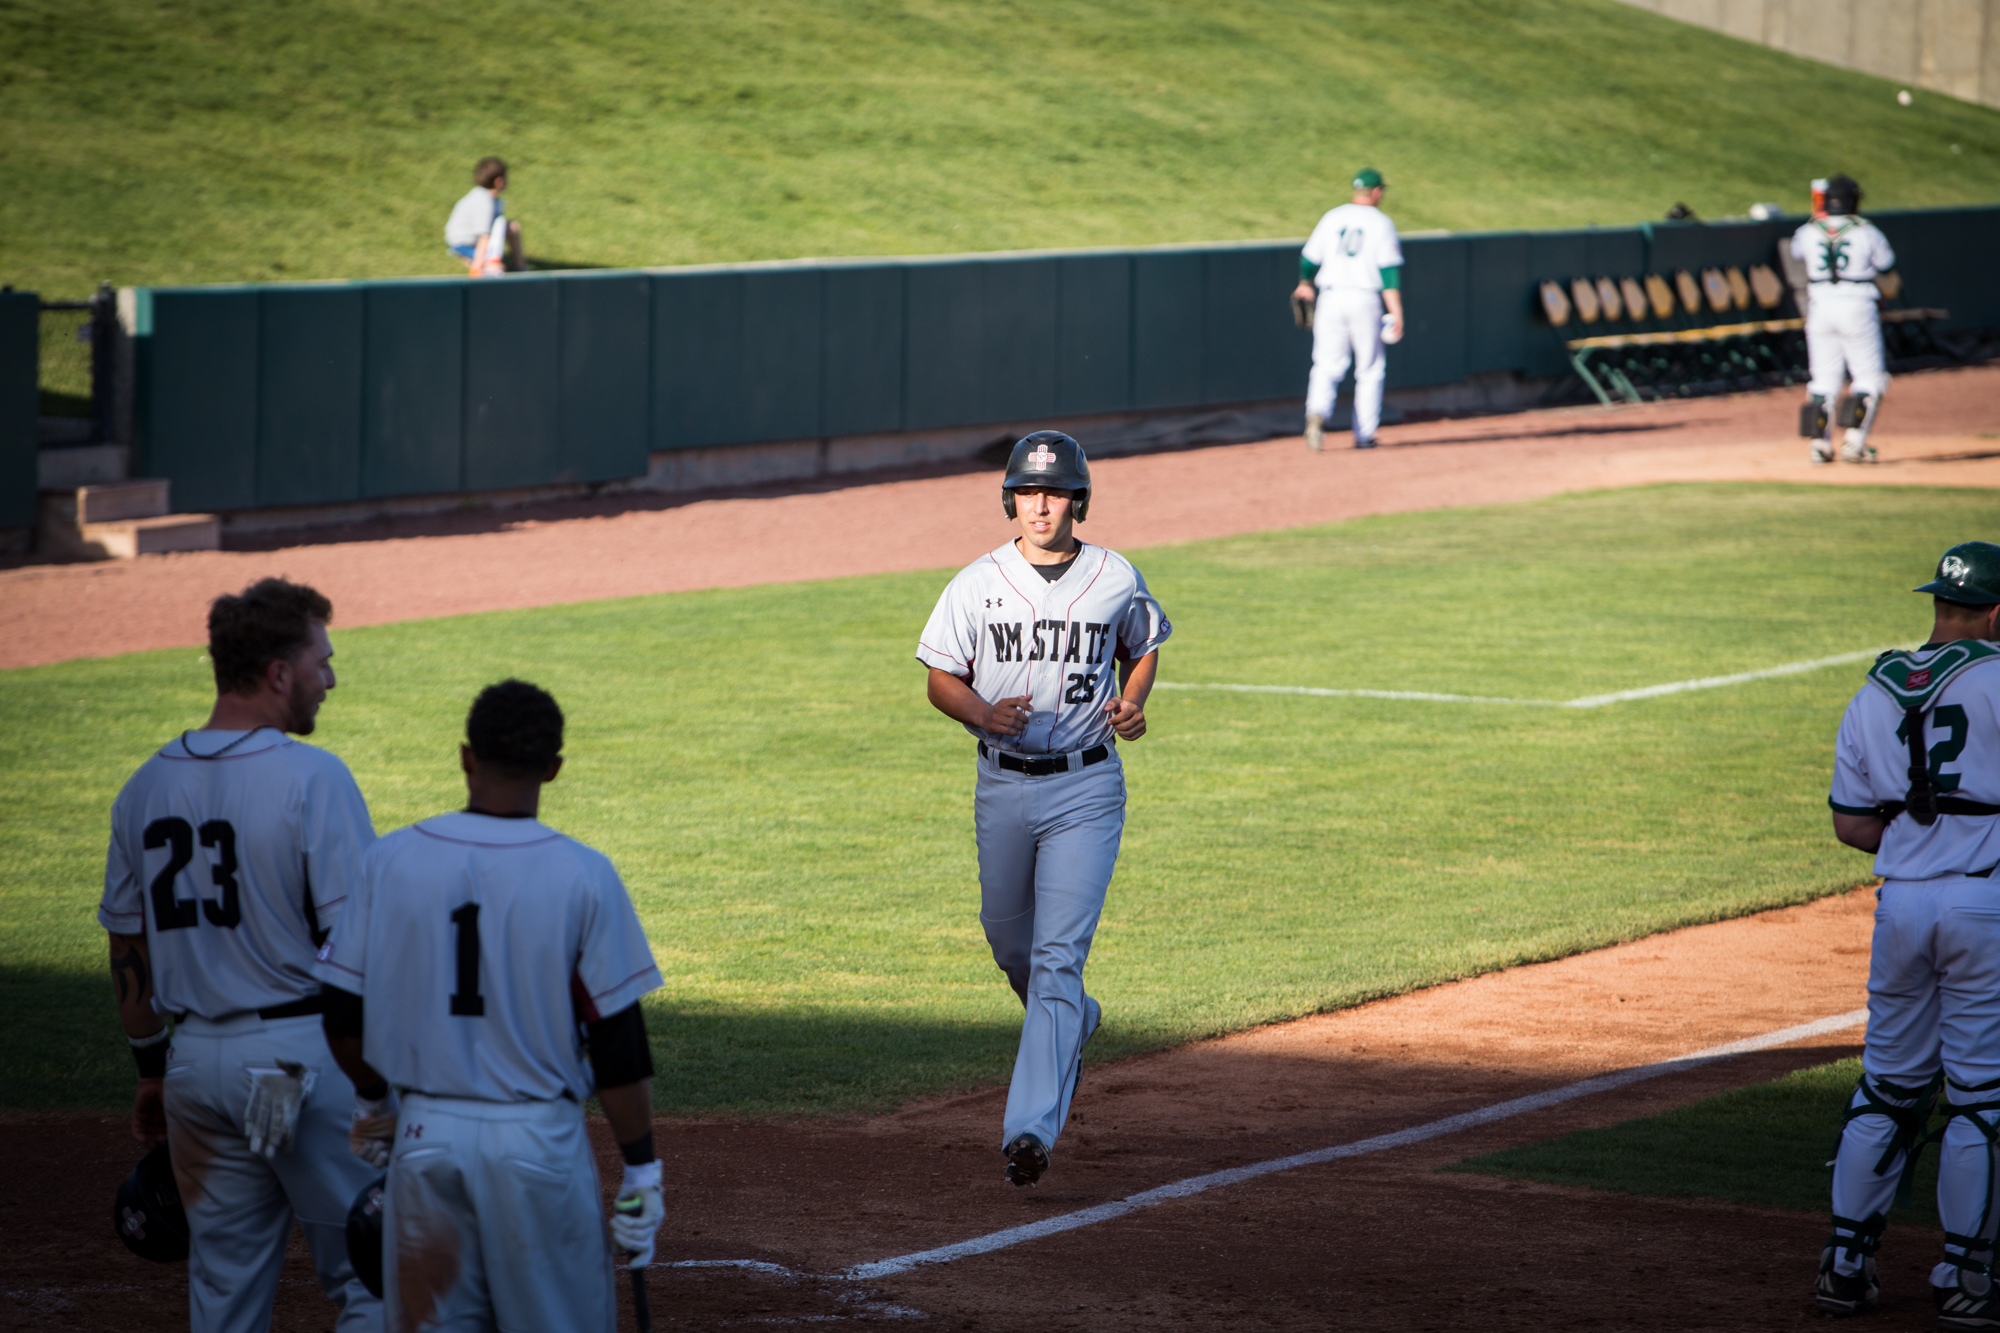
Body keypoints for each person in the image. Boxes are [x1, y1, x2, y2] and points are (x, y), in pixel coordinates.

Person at [314, 679, 665, 1333]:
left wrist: (371, 1102)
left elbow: (340, 1009)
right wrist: (642, 1166)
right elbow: (618, 1046)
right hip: (537, 1145)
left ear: (465, 756)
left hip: (424, 1141)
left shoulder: (389, 859)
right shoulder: (584, 873)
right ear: (553, 769)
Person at [97, 577, 382, 1332]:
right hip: (295, 1062)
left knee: (223, 1295)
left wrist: (152, 1071)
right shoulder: (311, 776)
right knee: (371, 1278)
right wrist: (381, 1079)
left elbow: (128, 948)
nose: (331, 677)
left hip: (195, 1071)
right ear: (278, 673)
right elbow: (361, 946)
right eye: (322, 660)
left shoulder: (144, 786)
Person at [915, 431, 1172, 1188]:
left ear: (1077, 501)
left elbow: (1145, 641)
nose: (1040, 504)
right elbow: (939, 675)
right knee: (1008, 940)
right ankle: (1074, 1023)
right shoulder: (975, 582)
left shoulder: (1114, 576)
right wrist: (983, 713)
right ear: (1010, 499)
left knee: (1058, 957)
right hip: (1002, 783)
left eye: (1054, 492)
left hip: (1086, 788)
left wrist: (1132, 700)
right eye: (1028, 492)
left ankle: (1029, 1129)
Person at [1818, 541, 2000, 1326]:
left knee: (1888, 1085)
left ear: (1941, 603)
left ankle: (1844, 1263)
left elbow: (1853, 825)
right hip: (1986, 907)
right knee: (1981, 1096)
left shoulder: (1874, 688)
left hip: (1901, 907)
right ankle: (1965, 1279)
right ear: (1998, 611)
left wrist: (1918, 834)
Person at [1292, 168, 1405, 453]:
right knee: (1369, 369)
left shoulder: (1333, 216)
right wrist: (1396, 313)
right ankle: (1364, 434)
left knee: (1326, 364)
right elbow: (1389, 273)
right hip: (1364, 299)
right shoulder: (1381, 222)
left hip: (1330, 297)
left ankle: (1316, 414)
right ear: (1377, 192)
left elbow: (1308, 259)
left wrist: (1305, 283)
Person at [1791, 174, 1897, 466]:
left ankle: (1818, 445)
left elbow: (1796, 252)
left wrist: (1817, 220)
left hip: (1820, 305)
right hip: (1857, 303)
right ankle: (1854, 442)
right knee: (1869, 377)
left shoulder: (1808, 229)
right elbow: (1887, 265)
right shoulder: (1866, 231)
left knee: (1823, 380)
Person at [444, 157, 523, 276]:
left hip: (475, 240)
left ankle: (520, 268)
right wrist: (477, 267)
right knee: (496, 269)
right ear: (499, 181)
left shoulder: (490, 198)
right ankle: (468, 258)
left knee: (513, 227)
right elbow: (484, 236)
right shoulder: (484, 202)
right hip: (463, 243)